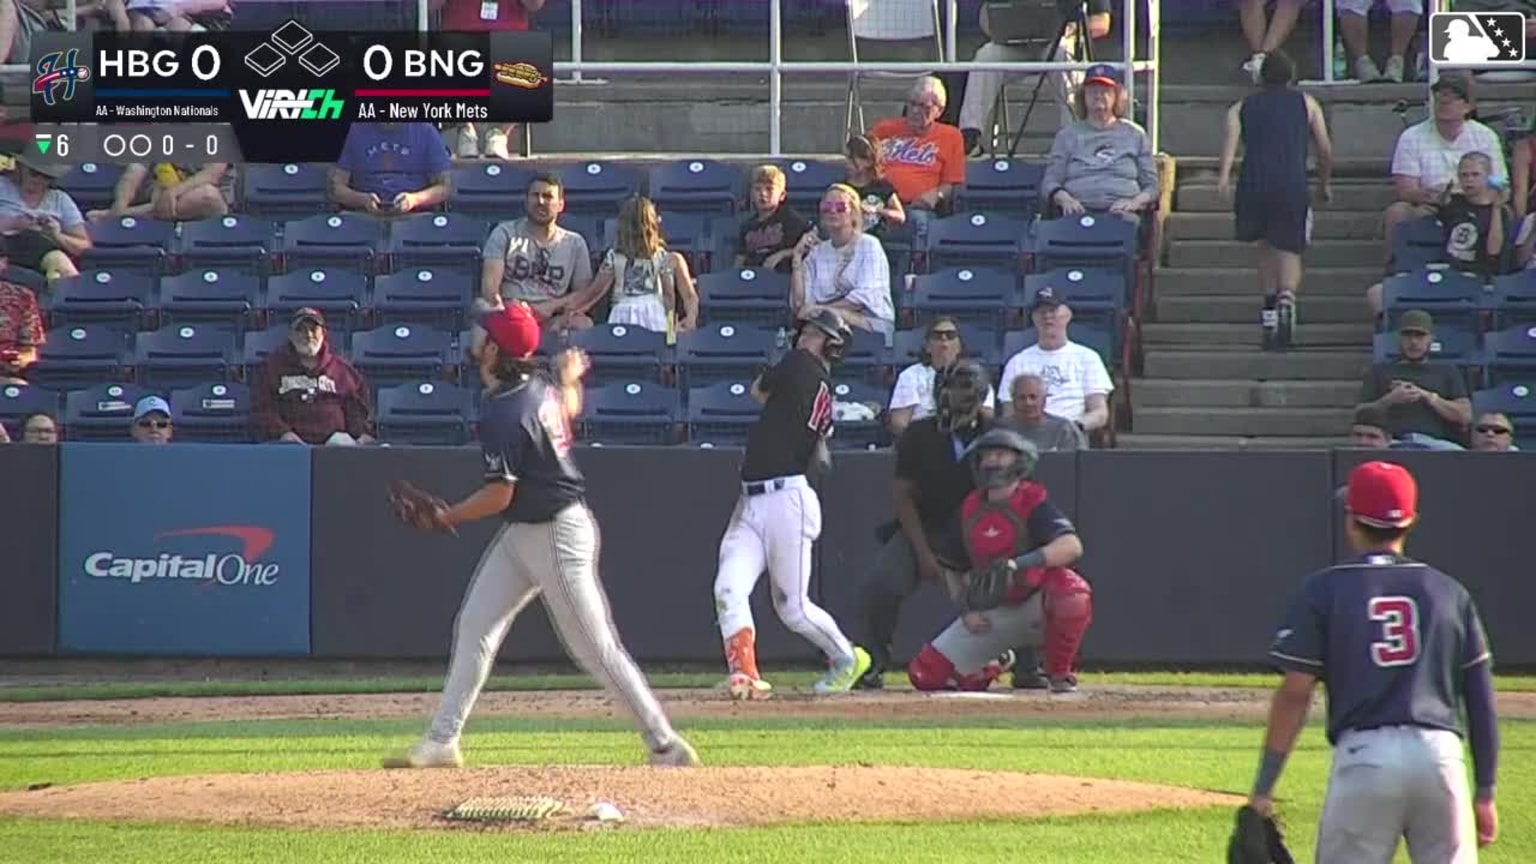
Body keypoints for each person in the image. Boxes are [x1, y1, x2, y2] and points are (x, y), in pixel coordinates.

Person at [383, 300, 698, 770]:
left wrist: (450, 517)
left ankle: (666, 744)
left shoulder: (507, 411)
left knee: (594, 648)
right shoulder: (538, 386)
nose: (478, 339)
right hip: (528, 532)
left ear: (494, 350)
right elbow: (566, 408)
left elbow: (499, 496)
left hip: (554, 532)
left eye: (485, 334)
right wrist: (571, 380)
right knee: (475, 628)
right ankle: (442, 741)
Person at [1248, 461, 1499, 861]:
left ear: (1352, 521)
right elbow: (1481, 698)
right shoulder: (1449, 591)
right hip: (1441, 757)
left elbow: (1296, 692)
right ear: (1411, 520)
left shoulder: (1324, 589)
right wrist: (1485, 791)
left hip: (1366, 758)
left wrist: (1263, 788)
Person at [712, 308, 873, 701]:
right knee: (729, 588)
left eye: (815, 333)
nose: (805, 337)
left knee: (794, 608)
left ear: (832, 345)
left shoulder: (802, 363)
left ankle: (847, 658)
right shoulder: (819, 384)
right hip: (754, 498)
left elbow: (757, 391)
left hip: (786, 499)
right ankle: (744, 674)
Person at [906, 428, 1090, 694]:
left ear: (1018, 461)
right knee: (925, 675)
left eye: (1000, 454)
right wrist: (966, 609)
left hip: (1035, 605)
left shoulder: (1034, 501)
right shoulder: (969, 509)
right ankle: (992, 664)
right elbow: (951, 568)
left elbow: (1071, 546)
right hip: (992, 612)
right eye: (987, 456)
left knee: (1071, 590)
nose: (992, 461)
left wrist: (1020, 563)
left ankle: (1060, 672)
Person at [854, 360, 997, 689]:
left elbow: (1009, 498)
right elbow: (903, 496)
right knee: (882, 583)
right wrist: (923, 553)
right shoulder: (919, 434)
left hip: (979, 532)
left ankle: (1027, 664)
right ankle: (874, 660)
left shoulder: (996, 435)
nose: (961, 399)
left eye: (969, 392)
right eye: (955, 390)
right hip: (927, 527)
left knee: (1016, 581)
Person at [1218, 51, 1334, 351]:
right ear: (1291, 74)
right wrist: (1324, 182)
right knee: (1290, 246)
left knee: (1264, 244)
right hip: (1291, 183)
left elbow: (1230, 145)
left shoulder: (1240, 107)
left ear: (1260, 76)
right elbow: (1324, 149)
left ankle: (1269, 305)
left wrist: (1223, 178)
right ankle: (1287, 298)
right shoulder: (1308, 104)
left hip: (1253, 183)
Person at [1041, 64, 1158, 223]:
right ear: (1083, 96)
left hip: (1122, 211)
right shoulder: (1067, 135)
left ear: (1117, 95)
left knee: (1127, 224)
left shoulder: (1135, 134)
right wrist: (1065, 199)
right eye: (1092, 91)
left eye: (1105, 91)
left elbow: (1152, 187)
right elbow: (1050, 182)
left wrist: (1134, 203)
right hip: (1077, 209)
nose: (1098, 95)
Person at [480, 173, 596, 331]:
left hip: (552, 316)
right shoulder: (504, 233)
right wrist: (516, 314)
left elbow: (583, 294)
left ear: (561, 205)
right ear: (526, 201)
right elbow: (490, 291)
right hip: (510, 314)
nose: (540, 202)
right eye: (535, 195)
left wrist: (550, 307)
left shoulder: (575, 243)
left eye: (548, 196)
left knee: (583, 324)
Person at [789, 184, 896, 337]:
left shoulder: (869, 245)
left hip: (869, 321)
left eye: (840, 207)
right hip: (821, 323)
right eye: (827, 207)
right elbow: (800, 306)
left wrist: (821, 310)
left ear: (853, 212)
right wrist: (797, 260)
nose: (833, 211)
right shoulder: (816, 253)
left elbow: (862, 300)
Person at [585, 196, 699, 334]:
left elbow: (689, 296)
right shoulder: (614, 257)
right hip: (624, 316)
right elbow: (594, 293)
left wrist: (690, 318)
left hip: (656, 319)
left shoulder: (670, 259)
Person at [887, 316, 996, 437]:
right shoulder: (910, 376)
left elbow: (987, 417)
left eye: (950, 335)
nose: (944, 341)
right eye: (937, 336)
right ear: (927, 346)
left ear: (959, 346)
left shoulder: (976, 375)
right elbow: (898, 422)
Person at [328, 122, 452, 217]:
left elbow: (445, 187)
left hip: (414, 217)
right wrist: (362, 200)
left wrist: (414, 200)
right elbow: (336, 188)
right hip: (364, 216)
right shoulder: (357, 129)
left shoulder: (425, 130)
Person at [735, 164, 811, 273]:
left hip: (783, 277)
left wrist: (782, 254)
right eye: (757, 189)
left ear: (782, 195)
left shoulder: (791, 219)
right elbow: (740, 258)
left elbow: (810, 246)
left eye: (769, 189)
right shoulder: (747, 225)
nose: (763, 194)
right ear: (751, 193)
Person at [843, 134, 905, 240]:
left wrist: (877, 210)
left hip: (877, 241)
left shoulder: (882, 187)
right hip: (849, 241)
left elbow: (900, 216)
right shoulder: (842, 188)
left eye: (851, 158)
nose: (846, 162)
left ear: (868, 161)